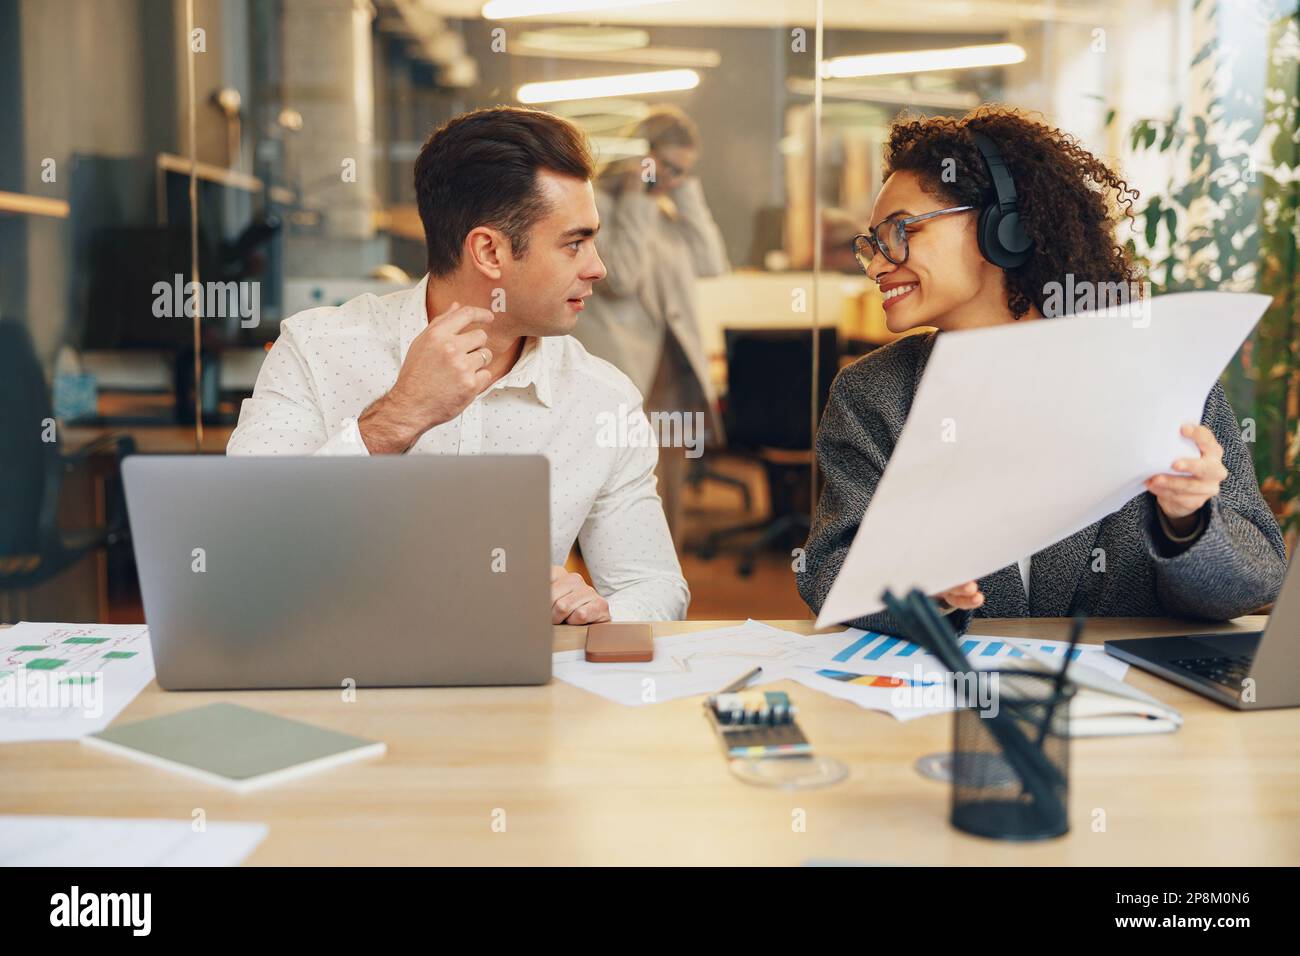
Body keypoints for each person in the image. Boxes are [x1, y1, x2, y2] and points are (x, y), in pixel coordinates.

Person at [798, 106, 1287, 636]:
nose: (875, 264)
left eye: (898, 232)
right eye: (871, 244)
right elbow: (828, 571)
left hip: (1129, 704)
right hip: (947, 699)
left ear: (1001, 227)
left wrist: (1188, 520)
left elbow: (1256, 581)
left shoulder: (1156, 368)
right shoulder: (873, 394)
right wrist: (917, 590)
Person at [228, 107, 689, 624]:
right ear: (489, 252)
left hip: (513, 689)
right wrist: (397, 417)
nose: (598, 267)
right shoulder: (315, 348)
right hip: (327, 672)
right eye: (574, 243)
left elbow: (654, 585)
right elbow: (241, 547)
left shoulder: (603, 399)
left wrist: (601, 613)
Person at [571, 105, 729, 545]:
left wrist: (685, 194)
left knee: (667, 496)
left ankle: (665, 594)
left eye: (686, 172)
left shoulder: (666, 210)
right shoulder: (595, 206)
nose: (675, 179)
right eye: (671, 168)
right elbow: (620, 277)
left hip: (671, 371)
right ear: (644, 155)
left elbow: (712, 264)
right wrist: (637, 197)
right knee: (618, 497)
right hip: (625, 367)